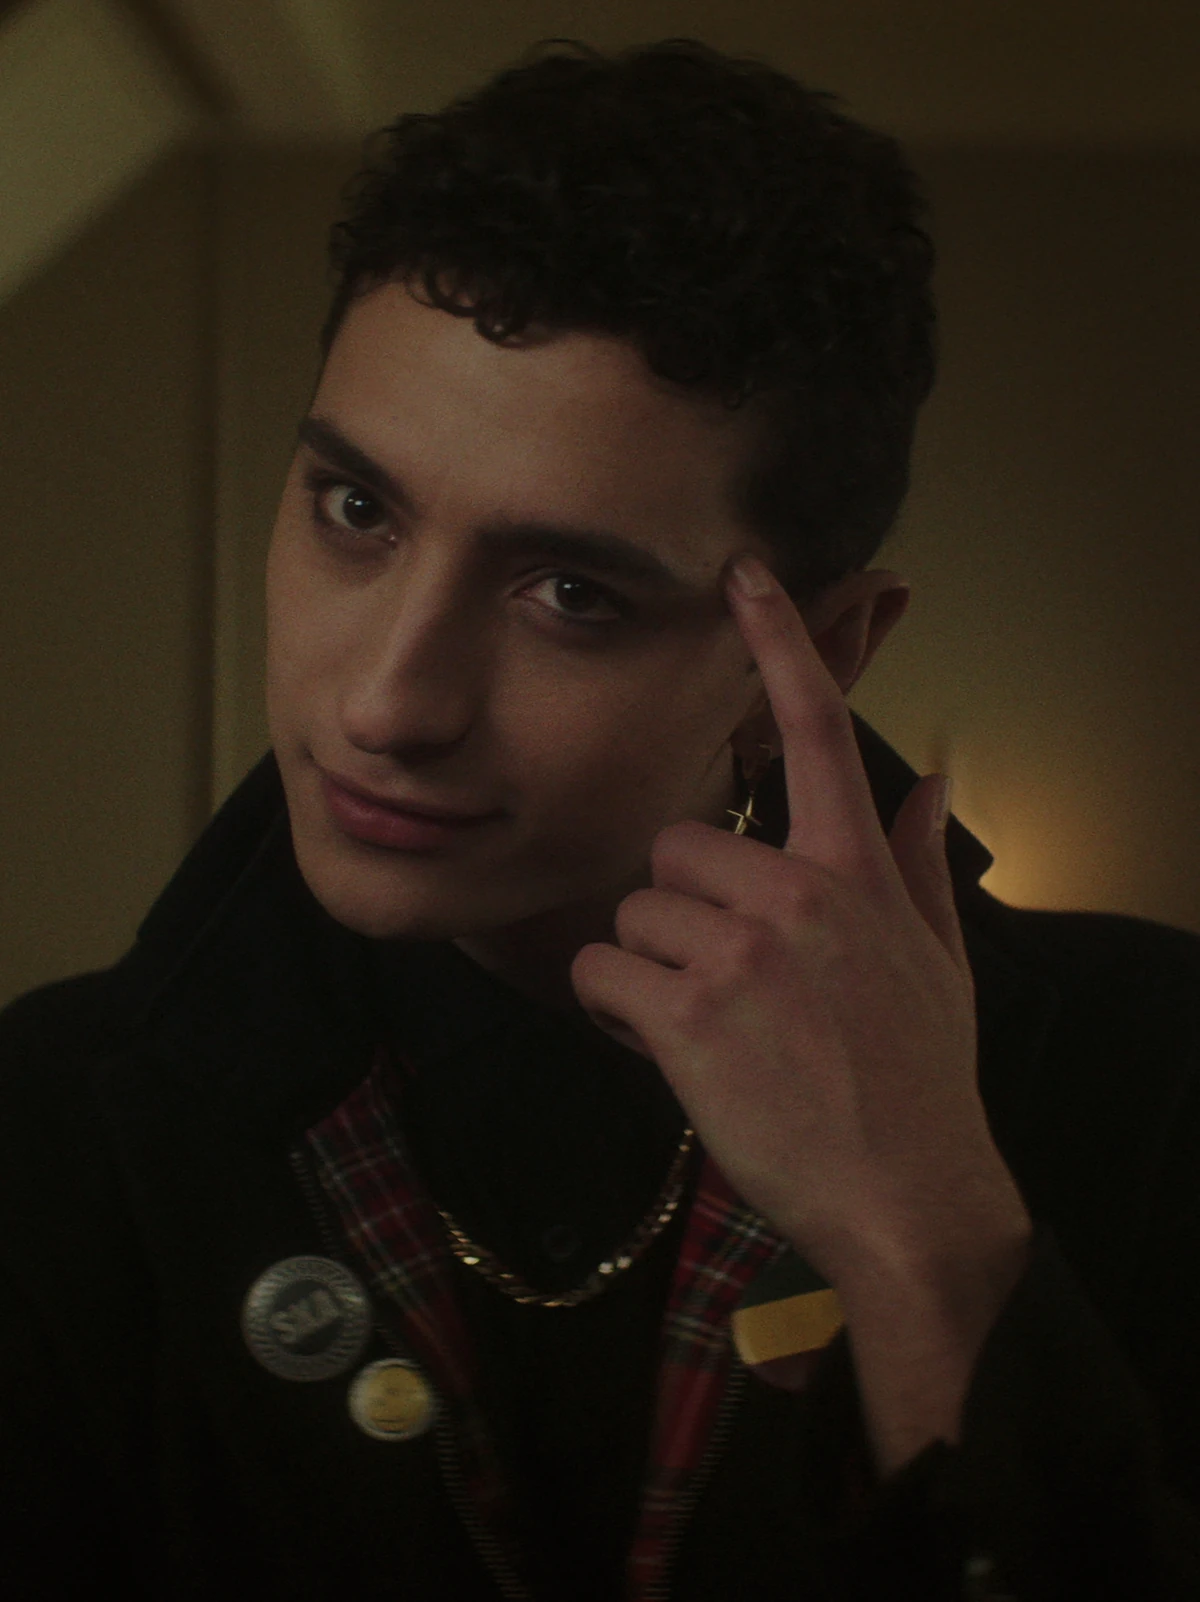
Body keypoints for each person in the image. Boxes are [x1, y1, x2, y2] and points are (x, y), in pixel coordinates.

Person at [1, 35, 1197, 1602]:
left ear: (817, 652)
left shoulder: (1163, 1080)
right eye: (357, 509)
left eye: (570, 593)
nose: (387, 701)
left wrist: (932, 1244)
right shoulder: (42, 1133)